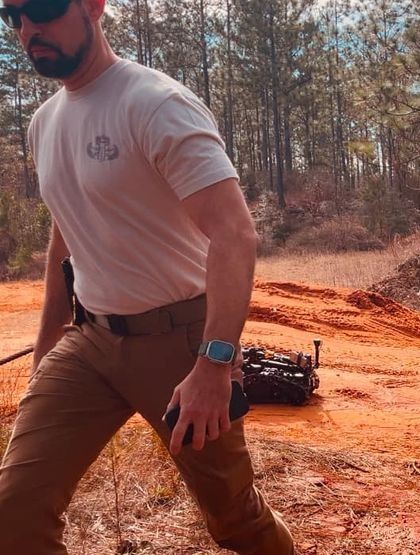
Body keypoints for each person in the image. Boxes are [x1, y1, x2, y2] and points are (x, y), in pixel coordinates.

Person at [0, 0, 294, 552]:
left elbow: (235, 234)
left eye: (41, 7)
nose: (27, 28)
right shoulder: (44, 123)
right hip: (89, 344)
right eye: (10, 14)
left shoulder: (156, 104)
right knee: (11, 517)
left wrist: (214, 363)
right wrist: (45, 350)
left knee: (236, 522)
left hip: (180, 345)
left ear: (92, 6)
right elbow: (67, 236)